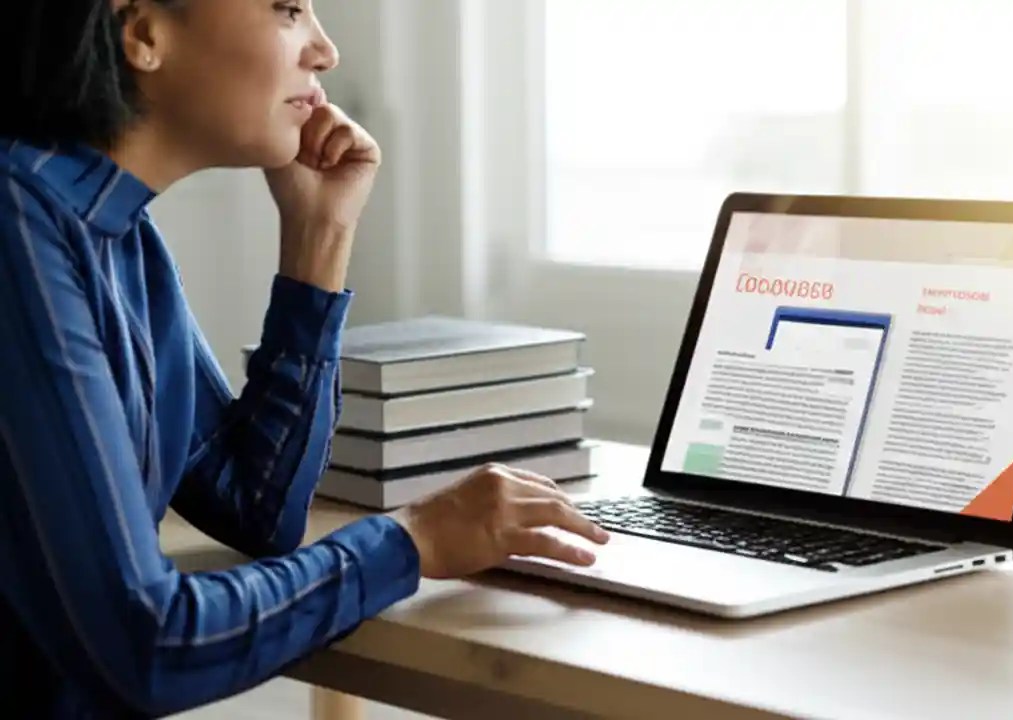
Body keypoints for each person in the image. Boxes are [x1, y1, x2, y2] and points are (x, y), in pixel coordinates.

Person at [0, 1, 609, 716]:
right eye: (287, 9)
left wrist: (318, 236)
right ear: (143, 34)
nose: (325, 51)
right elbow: (146, 646)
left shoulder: (116, 236)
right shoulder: (19, 225)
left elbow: (254, 508)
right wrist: (412, 541)